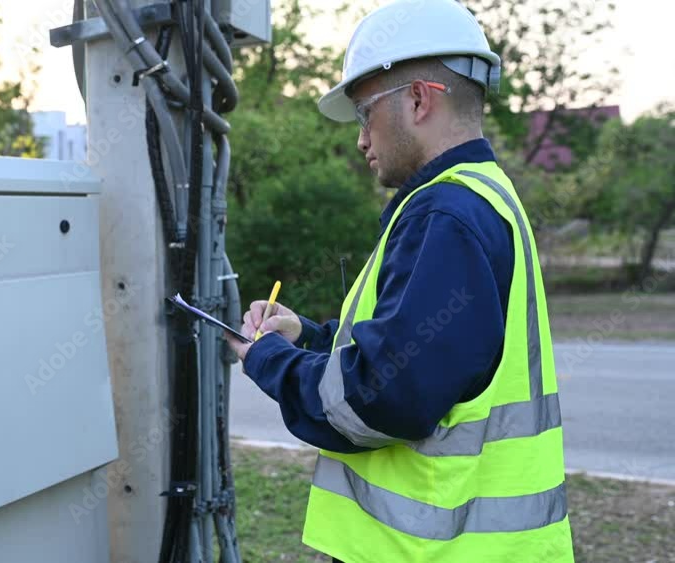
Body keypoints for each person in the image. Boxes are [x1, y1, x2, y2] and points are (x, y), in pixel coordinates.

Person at [222, 0, 575, 561]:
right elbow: (427, 356)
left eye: (365, 115)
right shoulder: (483, 196)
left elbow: (382, 399)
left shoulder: (446, 214)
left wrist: (266, 358)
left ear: (416, 100)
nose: (361, 139)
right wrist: (310, 337)